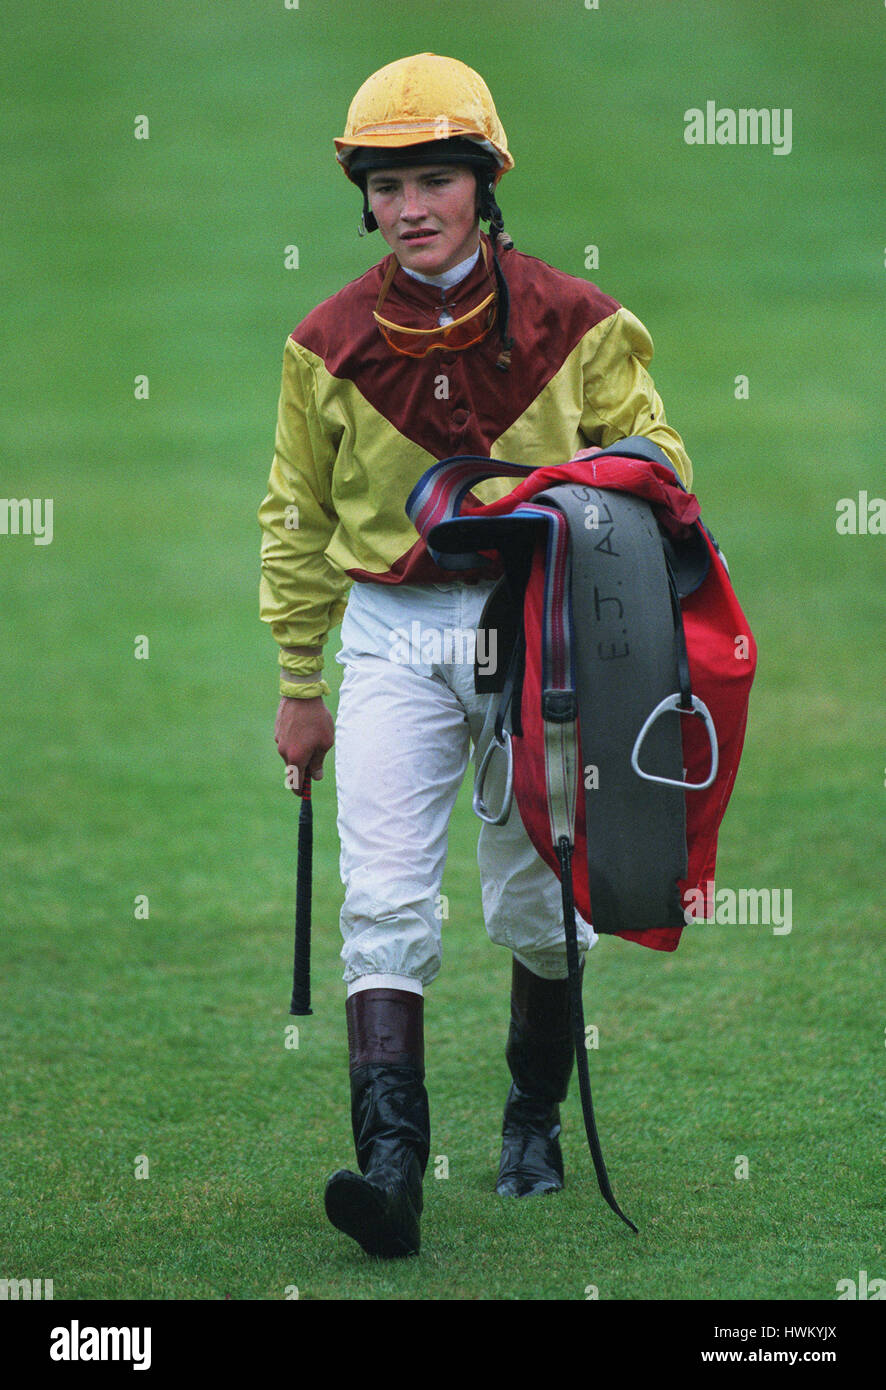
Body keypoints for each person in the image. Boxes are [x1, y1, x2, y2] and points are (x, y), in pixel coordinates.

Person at [259, 52, 692, 1259]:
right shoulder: (324, 343)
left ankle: (530, 1128)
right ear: (365, 199)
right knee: (383, 892)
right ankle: (388, 1166)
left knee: (537, 899)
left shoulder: (580, 321)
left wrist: (556, 498)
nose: (411, 209)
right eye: (388, 186)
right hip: (392, 637)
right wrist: (302, 679)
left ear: (481, 185)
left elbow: (659, 462)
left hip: (539, 627)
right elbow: (295, 514)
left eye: (434, 180)